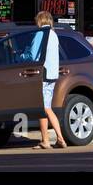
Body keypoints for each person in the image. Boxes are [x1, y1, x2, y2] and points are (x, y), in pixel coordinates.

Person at [34, 11, 67, 150]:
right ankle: (49, 140)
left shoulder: (40, 34)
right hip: (53, 75)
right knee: (46, 107)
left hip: (43, 74)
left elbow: (33, 54)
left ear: (40, 21)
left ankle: (55, 139)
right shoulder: (54, 35)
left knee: (44, 108)